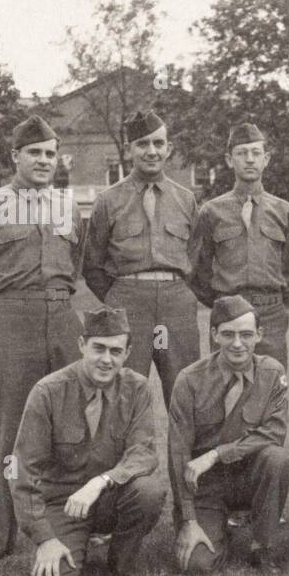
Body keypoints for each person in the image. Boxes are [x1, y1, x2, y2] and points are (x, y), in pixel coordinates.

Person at [0, 113, 84, 561]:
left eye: (50, 153)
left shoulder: (68, 208)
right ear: (15, 156)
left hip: (63, 318)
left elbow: (76, 267)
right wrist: (6, 312)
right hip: (10, 320)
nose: (44, 160)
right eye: (35, 153)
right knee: (8, 427)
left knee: (69, 422)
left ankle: (70, 523)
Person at [11, 306, 164, 576]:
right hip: (63, 504)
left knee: (149, 490)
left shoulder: (137, 388)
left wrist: (101, 482)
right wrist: (45, 538)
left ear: (128, 353)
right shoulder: (48, 391)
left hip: (110, 497)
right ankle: (71, 542)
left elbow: (143, 453)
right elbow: (22, 472)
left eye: (116, 351)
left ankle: (120, 565)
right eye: (99, 348)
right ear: (81, 345)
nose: (107, 360)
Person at [83, 109, 201, 409]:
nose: (152, 151)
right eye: (143, 144)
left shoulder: (185, 199)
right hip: (128, 301)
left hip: (177, 303)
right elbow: (92, 263)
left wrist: (182, 292)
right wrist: (117, 297)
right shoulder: (108, 200)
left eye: (158, 144)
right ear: (129, 149)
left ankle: (186, 459)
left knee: (185, 393)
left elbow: (198, 258)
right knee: (123, 394)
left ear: (168, 148)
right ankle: (131, 458)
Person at [167, 295, 289, 574]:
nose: (238, 344)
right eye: (228, 334)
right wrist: (188, 521)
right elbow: (178, 453)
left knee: (278, 458)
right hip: (206, 486)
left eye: (246, 334)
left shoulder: (272, 373)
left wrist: (216, 454)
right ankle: (216, 527)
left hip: (250, 475)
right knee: (196, 565)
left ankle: (263, 547)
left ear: (259, 335)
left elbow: (273, 432)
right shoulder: (189, 380)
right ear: (214, 335)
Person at [187, 122, 289, 367]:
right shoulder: (211, 211)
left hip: (270, 313)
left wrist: (276, 297)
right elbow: (198, 268)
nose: (249, 160)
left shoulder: (284, 211)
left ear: (266, 159)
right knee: (224, 386)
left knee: (272, 384)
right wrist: (222, 300)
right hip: (227, 312)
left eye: (255, 153)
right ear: (230, 160)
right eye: (242, 153)